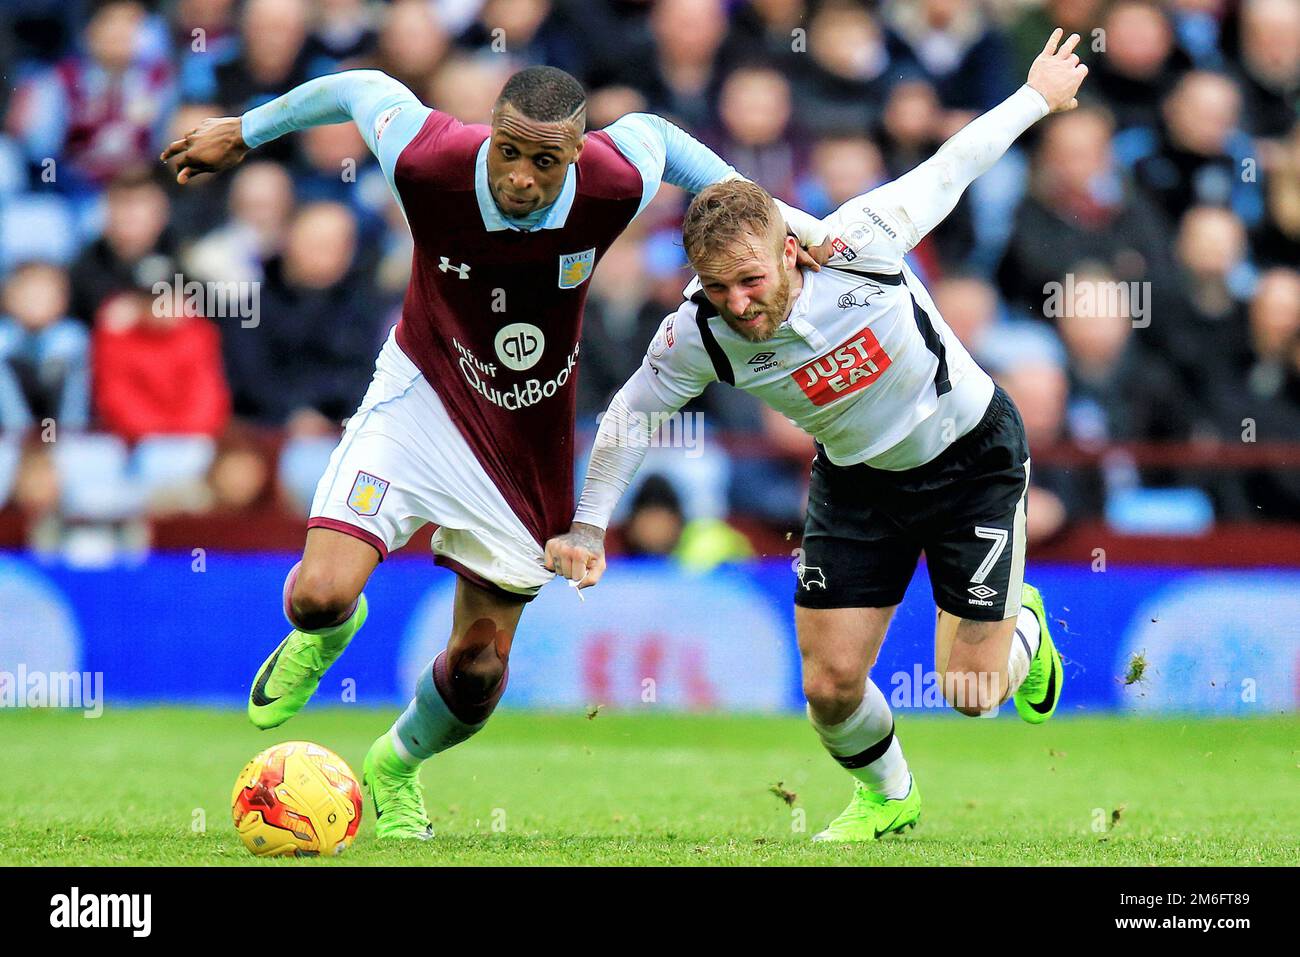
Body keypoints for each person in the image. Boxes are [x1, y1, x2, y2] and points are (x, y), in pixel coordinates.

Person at [162, 64, 824, 840]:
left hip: (524, 436)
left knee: (478, 671)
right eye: (510, 150)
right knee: (318, 594)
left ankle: (396, 763)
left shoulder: (613, 179)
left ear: (576, 154)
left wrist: (791, 229)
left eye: (546, 161)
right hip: (419, 396)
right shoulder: (428, 158)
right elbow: (358, 87)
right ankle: (326, 631)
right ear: (492, 130)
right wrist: (243, 131)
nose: (522, 175)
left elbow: (668, 142)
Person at [548, 30, 1089, 842]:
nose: (737, 301)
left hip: (969, 456)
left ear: (790, 251)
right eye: (717, 286)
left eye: (751, 280)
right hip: (857, 482)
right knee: (832, 685)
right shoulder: (702, 330)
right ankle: (888, 797)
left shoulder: (862, 241)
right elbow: (631, 413)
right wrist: (589, 523)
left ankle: (1026, 625)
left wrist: (1037, 96)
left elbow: (954, 165)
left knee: (971, 691)